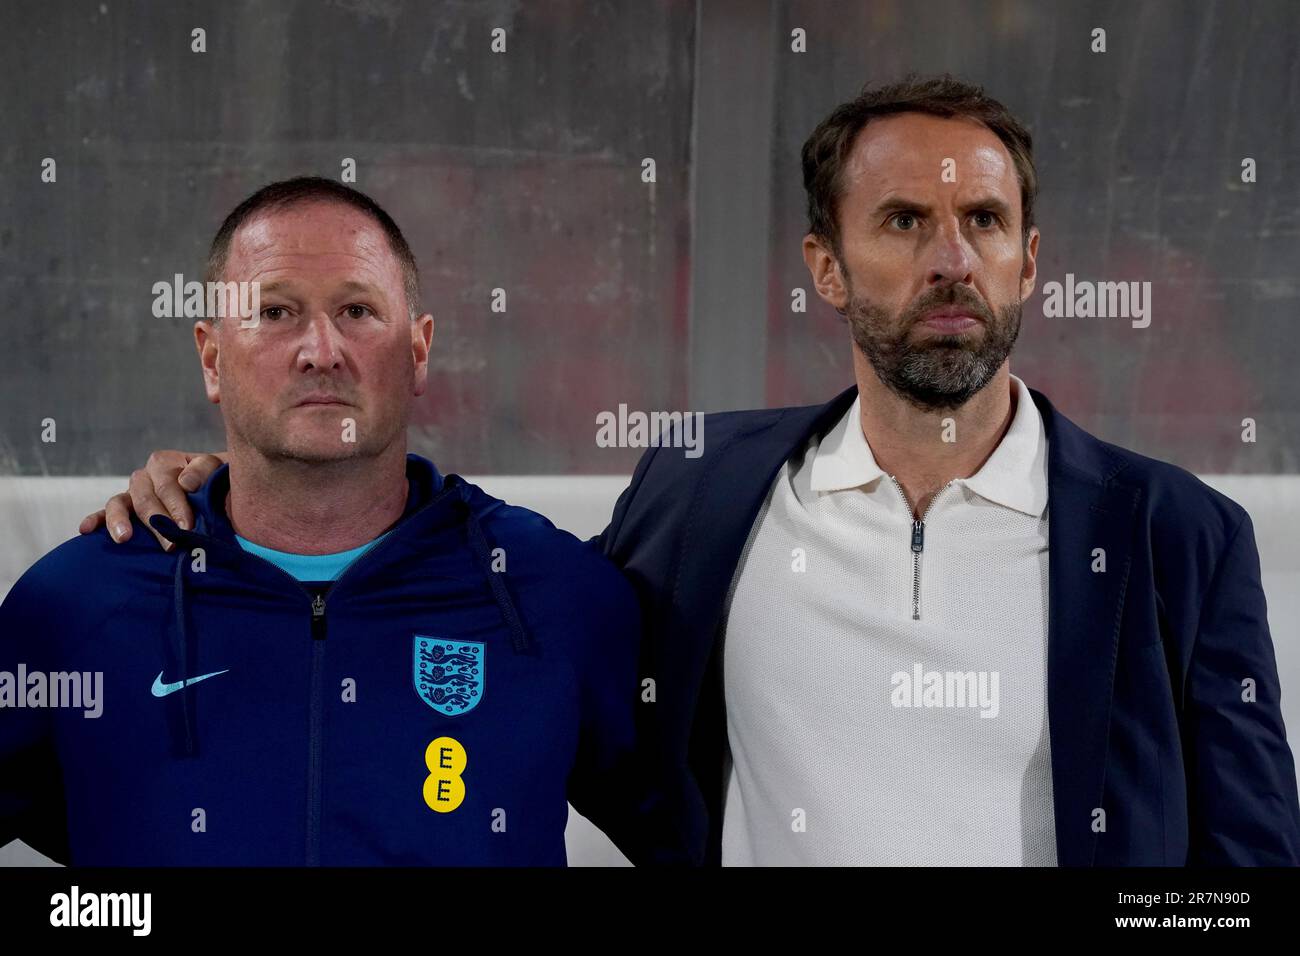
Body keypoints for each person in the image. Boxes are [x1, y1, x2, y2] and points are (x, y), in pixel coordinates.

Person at [86, 76, 1300, 866]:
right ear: (825, 267)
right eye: (901, 224)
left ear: (1031, 261)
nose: (950, 260)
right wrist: (233, 493)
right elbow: (500, 627)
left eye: (982, 223)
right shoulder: (701, 490)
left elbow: (1249, 870)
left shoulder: (1173, 536)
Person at [0, 177, 656, 866]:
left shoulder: (552, 592)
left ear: (419, 351)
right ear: (212, 357)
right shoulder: (78, 604)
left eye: (357, 310)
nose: (321, 349)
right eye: (275, 311)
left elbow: (713, 833)